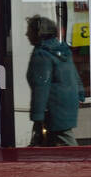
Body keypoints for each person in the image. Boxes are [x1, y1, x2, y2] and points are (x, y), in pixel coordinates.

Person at [25, 15, 86, 146]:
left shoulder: (42, 54)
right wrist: (80, 94)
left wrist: (37, 115)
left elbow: (41, 86)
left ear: (38, 33)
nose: (26, 34)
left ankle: (81, 164)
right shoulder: (61, 49)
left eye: (29, 30)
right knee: (49, 142)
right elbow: (73, 74)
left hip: (54, 107)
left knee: (64, 141)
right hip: (66, 103)